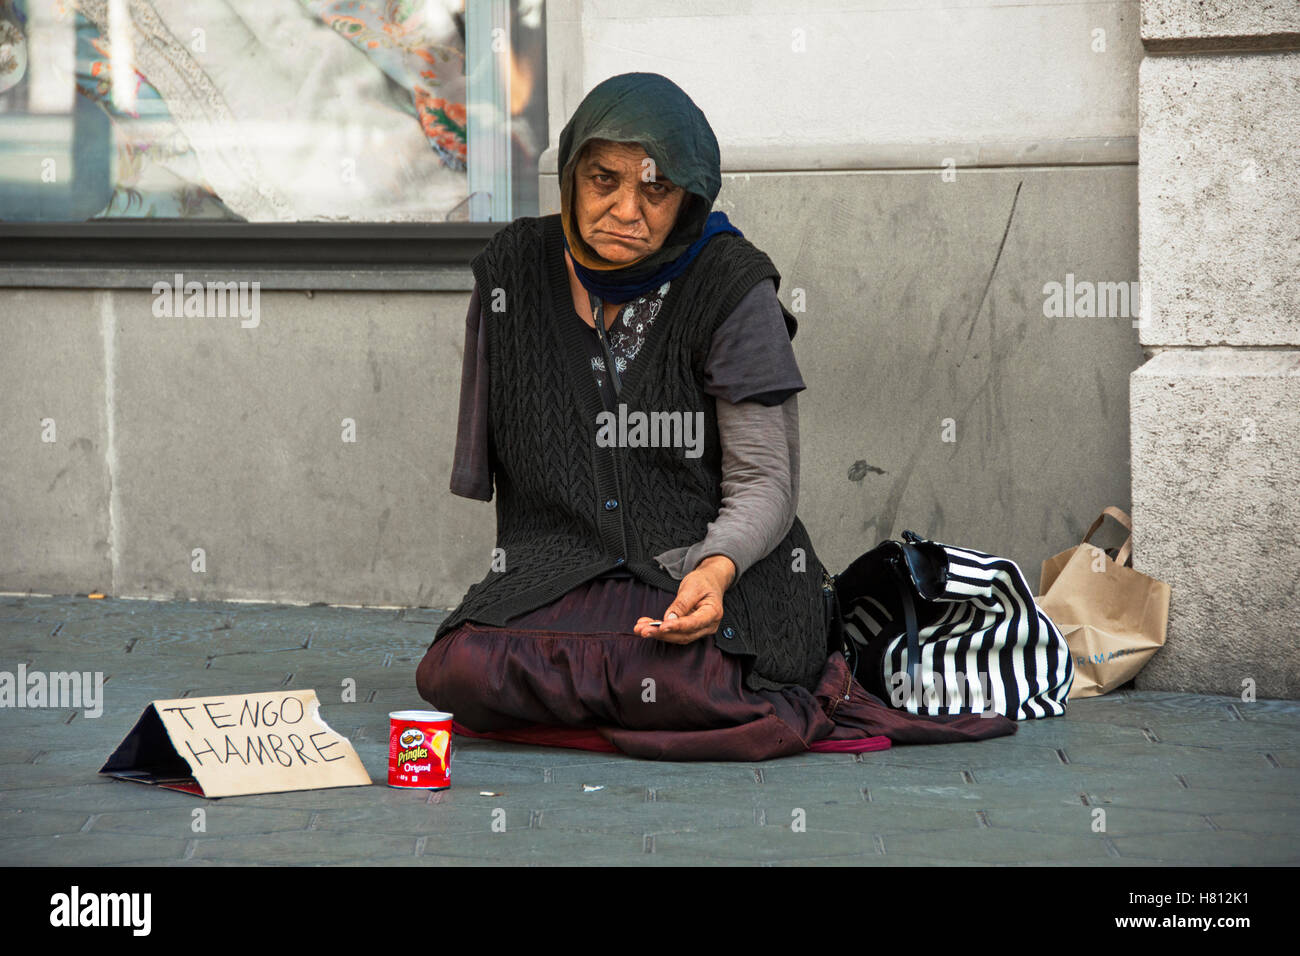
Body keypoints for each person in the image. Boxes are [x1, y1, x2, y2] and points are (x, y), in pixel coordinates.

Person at [415, 72, 1013, 760]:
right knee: (457, 667)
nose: (625, 209)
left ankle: (606, 712)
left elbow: (766, 484)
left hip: (710, 570)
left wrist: (715, 570)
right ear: (572, 175)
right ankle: (627, 716)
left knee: (701, 676)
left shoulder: (731, 285)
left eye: (655, 188)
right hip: (563, 572)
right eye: (603, 180)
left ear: (690, 197)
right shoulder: (514, 271)